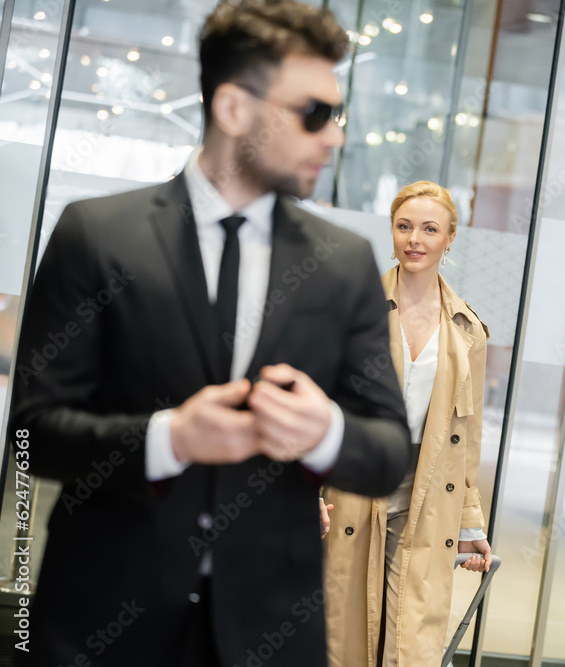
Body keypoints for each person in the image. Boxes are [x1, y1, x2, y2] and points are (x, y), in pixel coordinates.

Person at [7, 2, 411, 665]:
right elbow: (32, 433)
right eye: (314, 114)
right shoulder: (98, 236)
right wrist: (170, 438)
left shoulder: (343, 265)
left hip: (270, 632)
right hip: (101, 623)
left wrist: (324, 432)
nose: (333, 138)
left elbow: (390, 452)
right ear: (232, 108)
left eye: (336, 116)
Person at [321, 181, 492, 667]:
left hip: (429, 487)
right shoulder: (354, 309)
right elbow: (318, 405)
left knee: (411, 642)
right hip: (355, 481)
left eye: (429, 229)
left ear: (450, 238)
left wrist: (470, 521)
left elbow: (467, 434)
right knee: (345, 629)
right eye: (404, 226)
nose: (415, 239)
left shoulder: (466, 330)